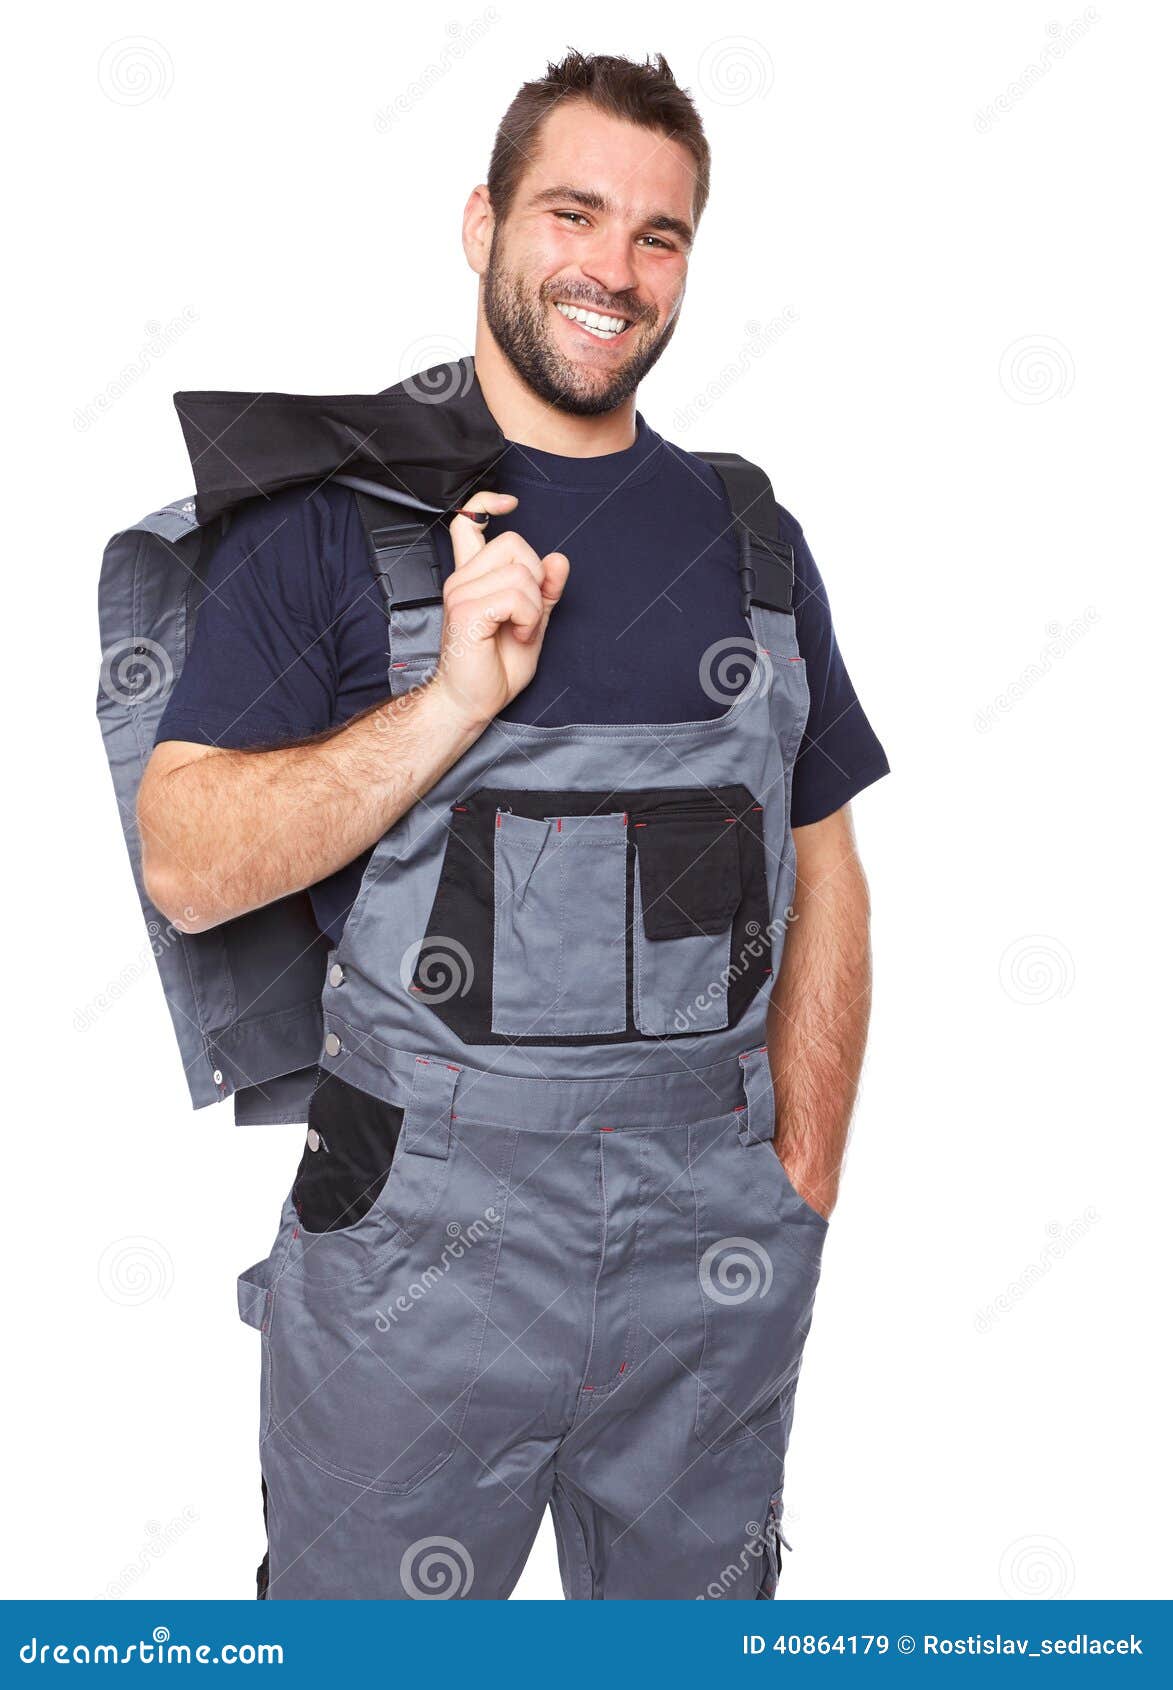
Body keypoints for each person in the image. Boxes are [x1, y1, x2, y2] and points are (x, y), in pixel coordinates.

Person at [137, 50, 888, 1601]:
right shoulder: (330, 526)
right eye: (572, 213)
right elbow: (187, 865)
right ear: (482, 221)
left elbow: (821, 865)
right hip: (414, 1256)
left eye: (658, 234)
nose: (613, 268)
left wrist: (797, 1181)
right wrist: (446, 704)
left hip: (708, 1250)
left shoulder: (752, 540)